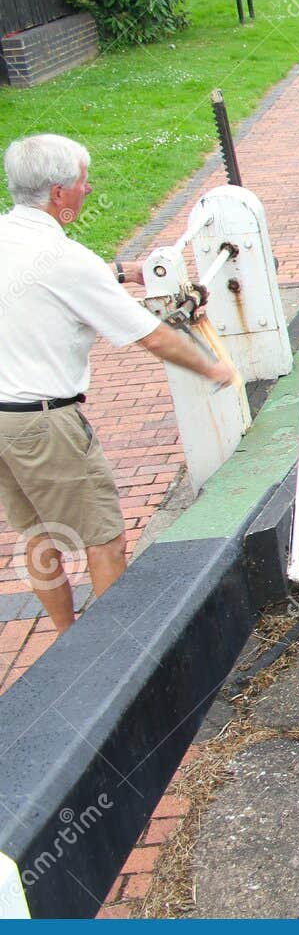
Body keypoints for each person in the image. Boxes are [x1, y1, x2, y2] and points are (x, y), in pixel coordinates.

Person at [0, 135, 237, 633]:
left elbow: (49, 281)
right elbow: (150, 337)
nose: (90, 189)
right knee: (104, 537)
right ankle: (105, 653)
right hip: (45, 421)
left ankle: (67, 636)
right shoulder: (65, 258)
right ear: (60, 192)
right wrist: (214, 367)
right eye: (84, 181)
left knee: (39, 534)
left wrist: (118, 273)